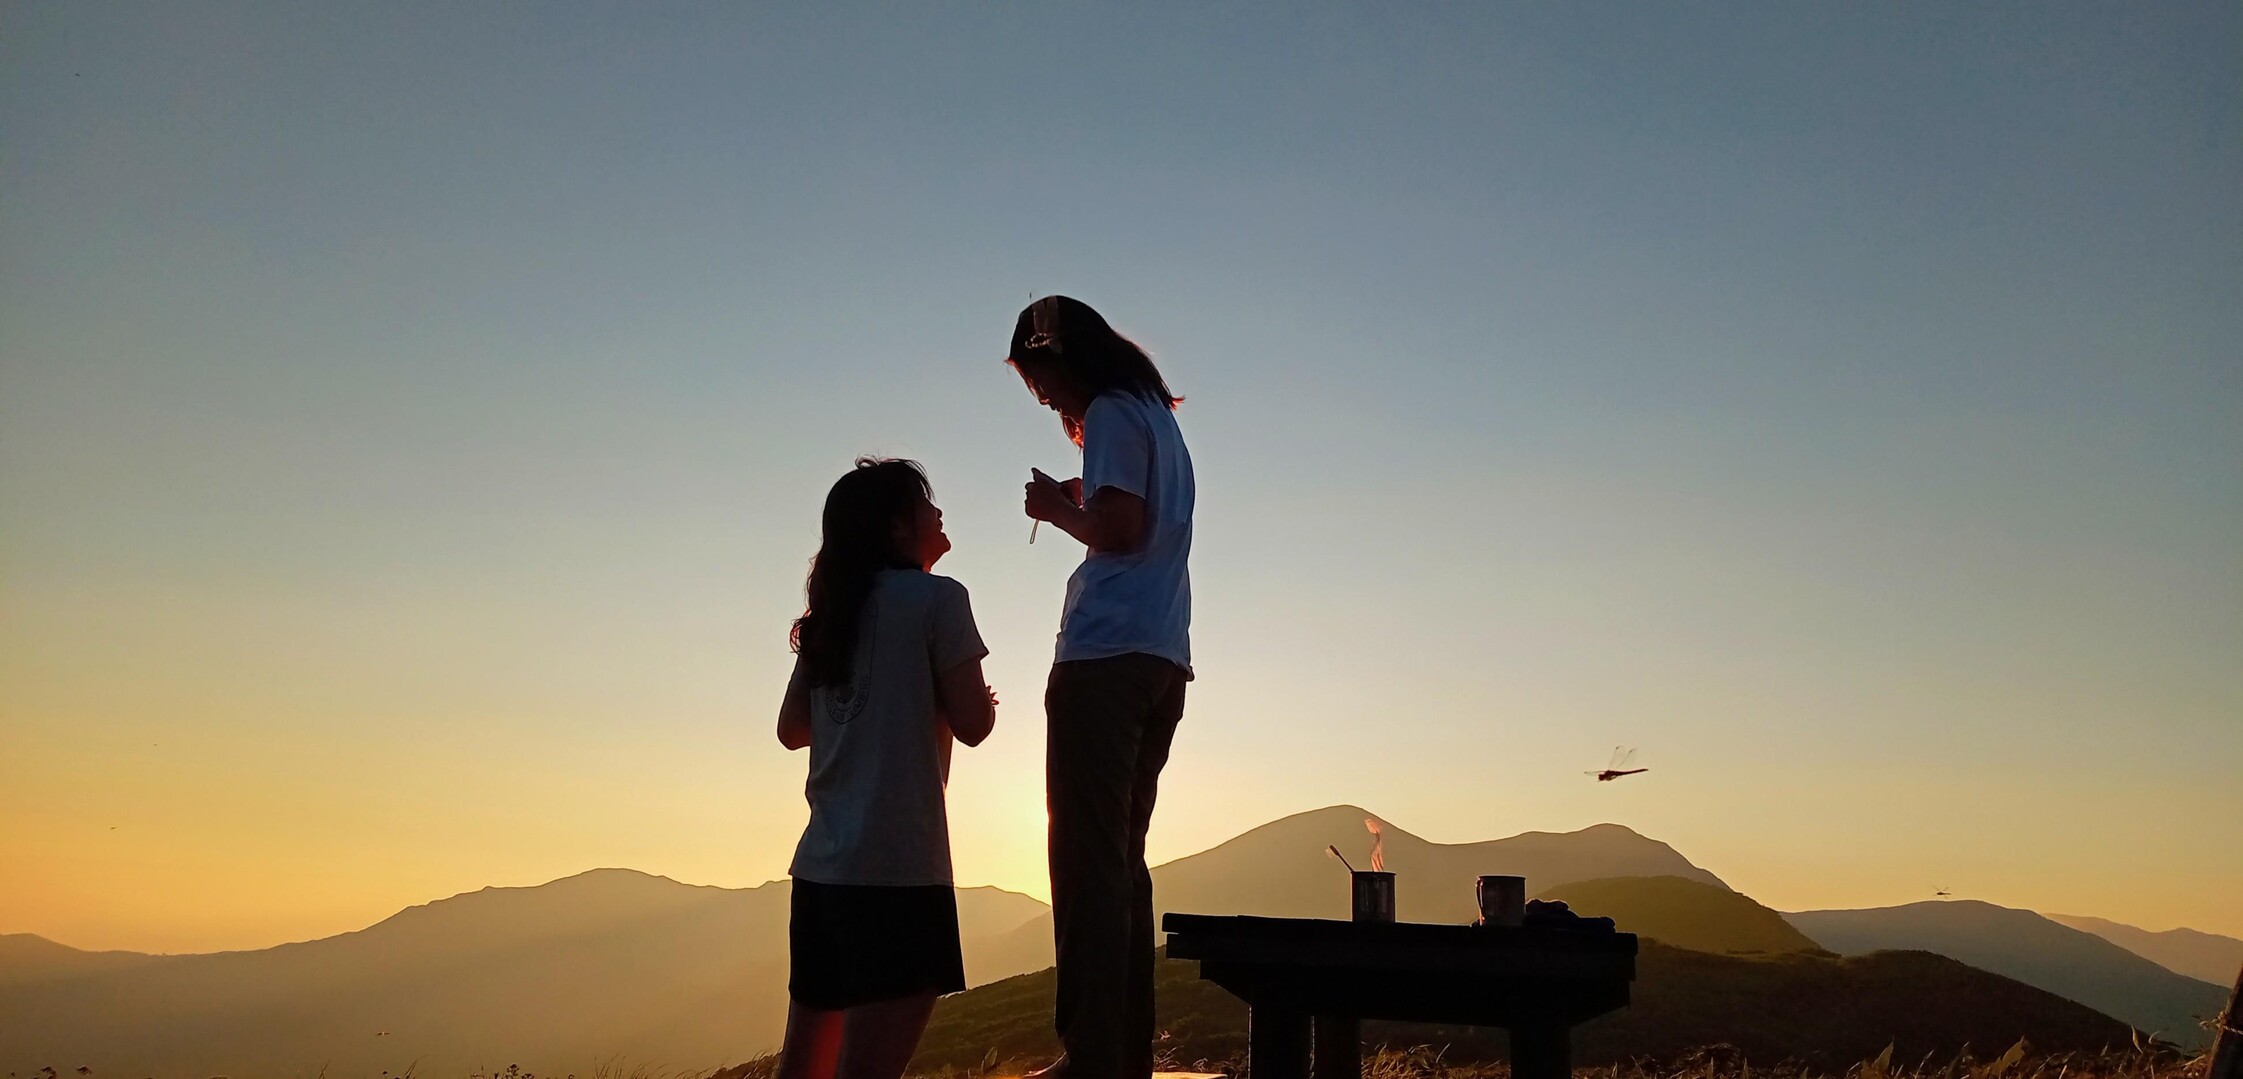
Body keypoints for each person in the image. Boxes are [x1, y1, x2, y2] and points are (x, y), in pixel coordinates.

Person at [1009, 296, 1195, 1079]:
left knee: (1086, 863)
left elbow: (1120, 531)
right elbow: (1138, 522)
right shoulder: (1156, 418)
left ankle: (1090, 1057)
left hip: (1105, 659)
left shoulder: (1114, 414)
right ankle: (1120, 1054)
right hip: (1160, 654)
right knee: (1121, 860)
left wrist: (1057, 511)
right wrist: (1084, 501)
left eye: (1041, 381)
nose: (1043, 399)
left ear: (1064, 356)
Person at [775, 457, 997, 1079]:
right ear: (899, 528)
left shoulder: (835, 616)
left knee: (804, 1068)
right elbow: (975, 723)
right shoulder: (940, 599)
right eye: (927, 505)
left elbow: (792, 729)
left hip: (823, 871)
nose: (939, 513)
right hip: (899, 872)